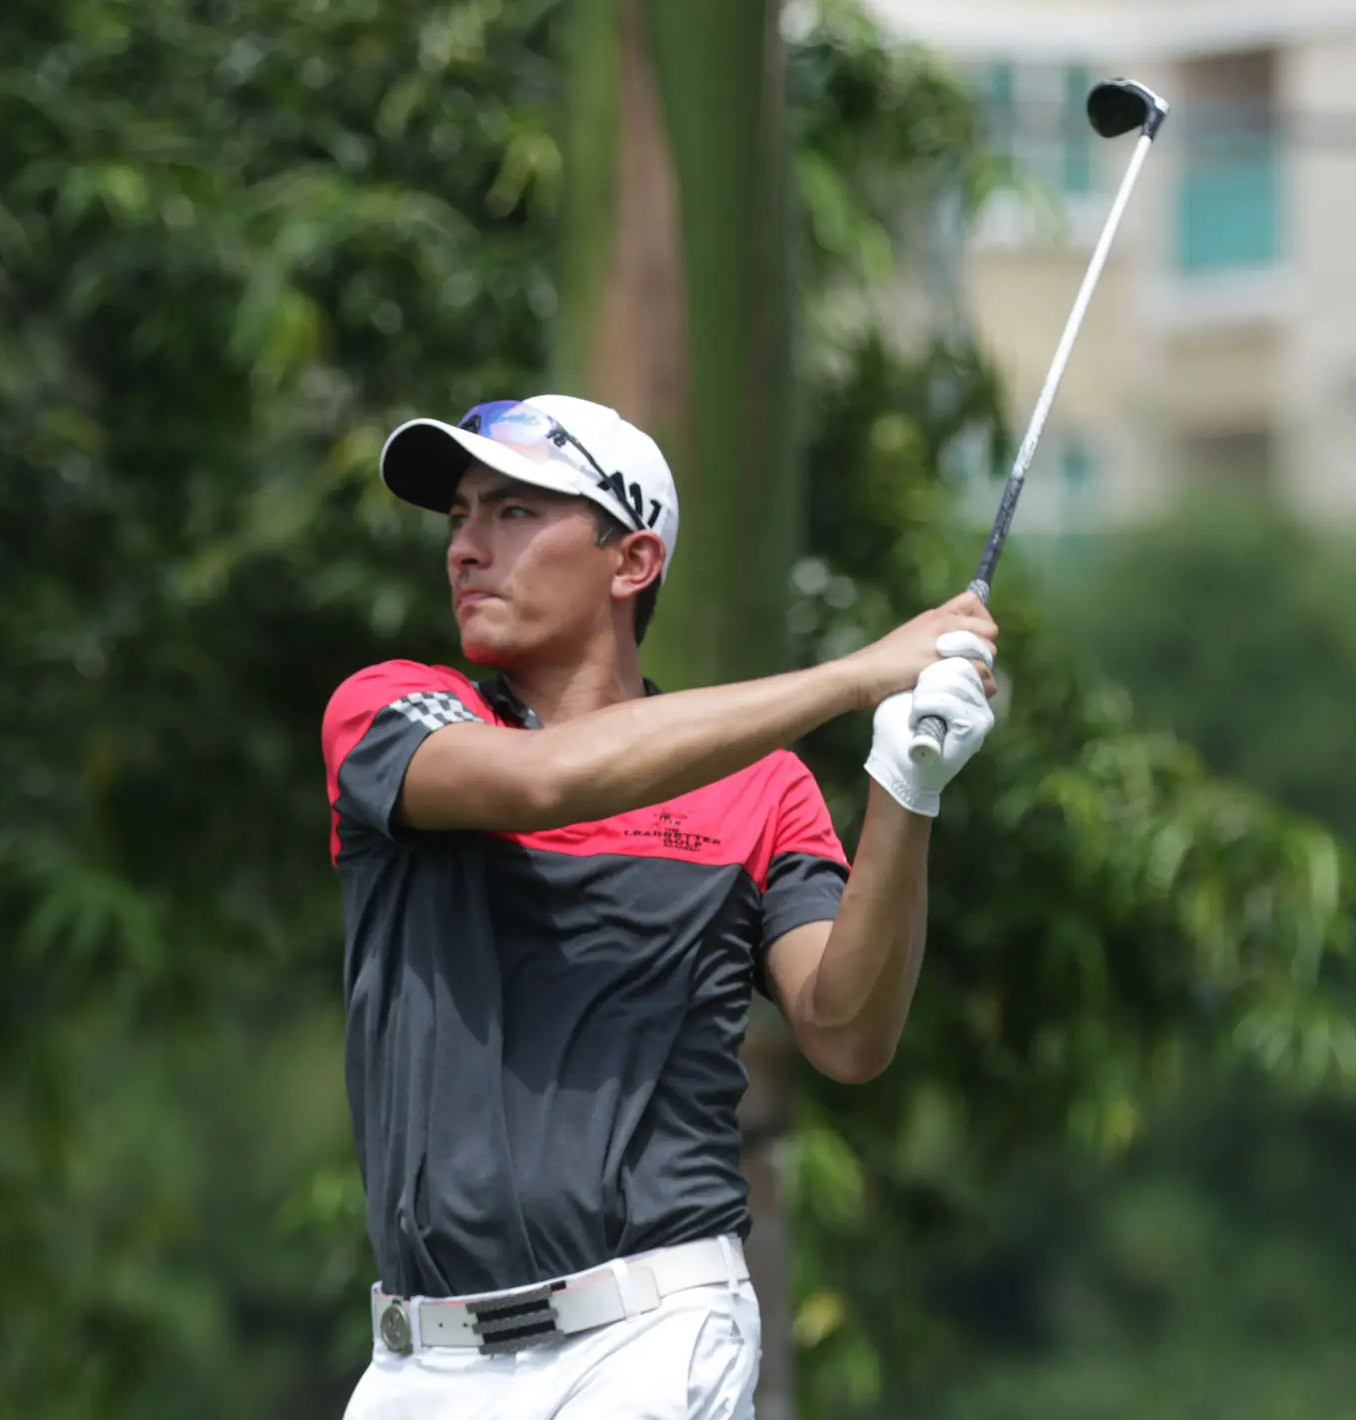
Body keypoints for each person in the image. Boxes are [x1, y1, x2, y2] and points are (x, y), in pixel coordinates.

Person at [321, 395, 1000, 1420]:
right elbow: (545, 780)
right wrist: (852, 675)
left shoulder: (762, 790)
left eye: (510, 512)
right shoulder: (393, 710)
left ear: (630, 561)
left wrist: (906, 788)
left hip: (646, 1337)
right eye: (459, 515)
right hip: (421, 1362)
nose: (465, 547)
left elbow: (846, 1030)